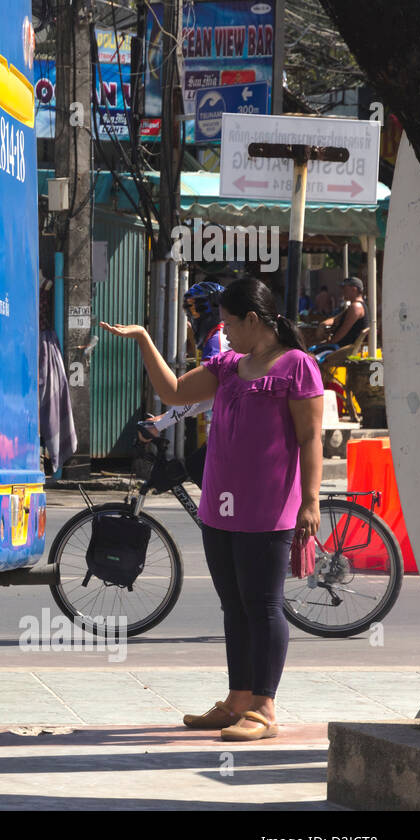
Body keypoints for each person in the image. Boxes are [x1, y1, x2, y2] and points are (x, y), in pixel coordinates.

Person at [101, 277, 323, 741]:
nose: (223, 331)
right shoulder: (227, 367)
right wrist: (143, 338)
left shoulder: (297, 367)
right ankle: (237, 699)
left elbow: (310, 439)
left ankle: (264, 708)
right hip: (219, 508)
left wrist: (311, 501)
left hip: (269, 509)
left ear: (253, 320)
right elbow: (174, 393)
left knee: (263, 606)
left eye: (228, 322)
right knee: (233, 606)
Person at [136, 280, 228, 487]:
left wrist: (160, 424)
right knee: (198, 471)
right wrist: (162, 420)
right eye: (190, 310)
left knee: (199, 471)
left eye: (198, 309)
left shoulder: (218, 341)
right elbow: (210, 396)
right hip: (228, 429)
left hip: (234, 431)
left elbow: (198, 394)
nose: (193, 316)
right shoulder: (218, 336)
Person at [311, 277, 367, 359]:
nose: (343, 291)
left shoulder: (356, 307)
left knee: (309, 356)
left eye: (345, 288)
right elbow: (335, 319)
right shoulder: (354, 306)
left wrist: (328, 343)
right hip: (342, 348)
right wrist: (323, 324)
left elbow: (341, 333)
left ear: (354, 289)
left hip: (343, 350)